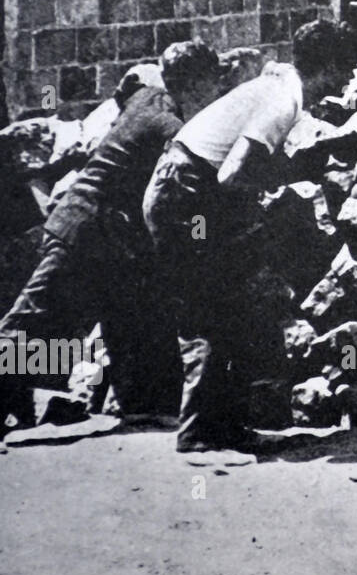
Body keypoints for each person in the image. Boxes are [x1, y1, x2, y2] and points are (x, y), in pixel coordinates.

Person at [142, 19, 352, 460]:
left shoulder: (278, 87)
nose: (349, 78)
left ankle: (225, 428)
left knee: (232, 305)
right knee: (208, 308)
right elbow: (234, 172)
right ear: (327, 65)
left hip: (191, 189)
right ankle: (199, 434)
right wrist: (293, 172)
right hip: (187, 194)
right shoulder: (282, 99)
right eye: (345, 67)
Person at [0, 42, 224, 429]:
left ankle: (148, 414)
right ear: (195, 83)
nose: (217, 92)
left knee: (135, 322)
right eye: (212, 82)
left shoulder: (150, 98)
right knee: (32, 321)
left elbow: (129, 88)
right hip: (84, 231)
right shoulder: (169, 126)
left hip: (111, 244)